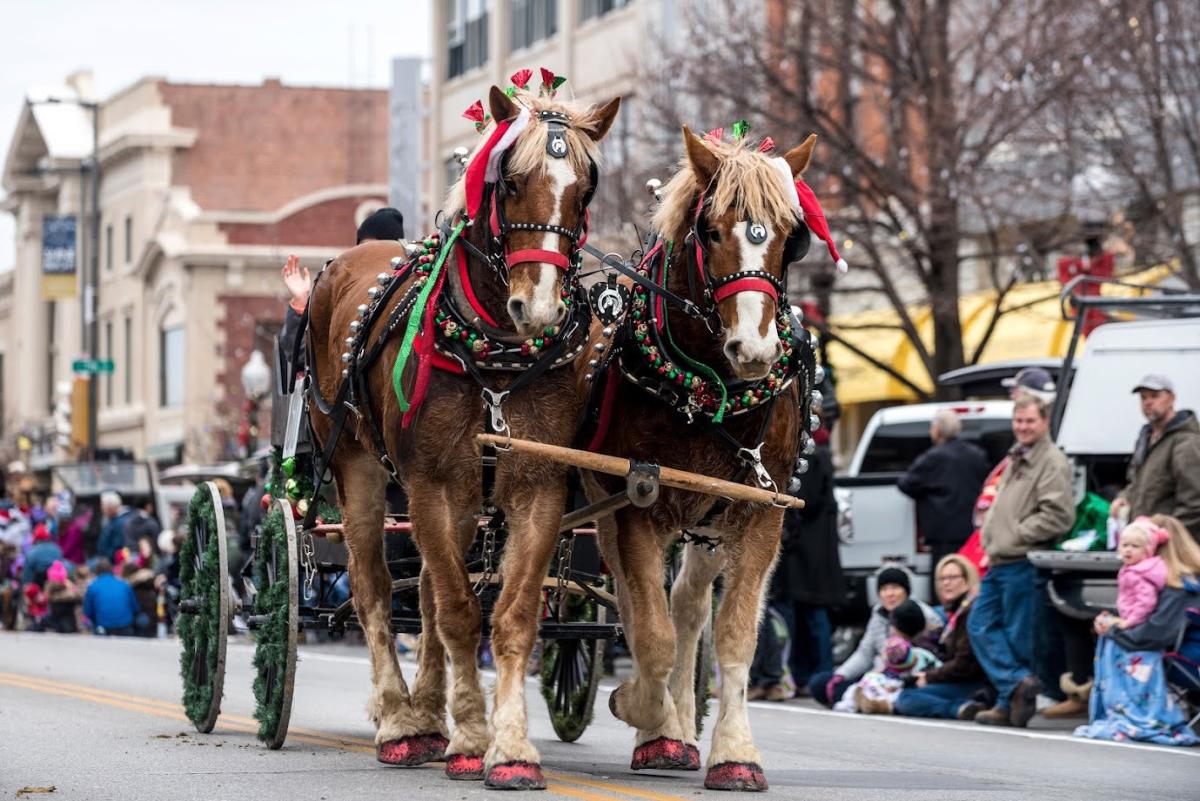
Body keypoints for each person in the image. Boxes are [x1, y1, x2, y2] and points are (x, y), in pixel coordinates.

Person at [967, 394, 1075, 727]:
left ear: (1044, 422)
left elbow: (1059, 515)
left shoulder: (1051, 460)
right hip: (1000, 561)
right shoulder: (1018, 455)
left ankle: (1007, 701)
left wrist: (1015, 534)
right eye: (1018, 420)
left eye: (1029, 421)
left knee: (1016, 635)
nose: (1023, 427)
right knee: (979, 624)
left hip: (1021, 560)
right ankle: (1015, 686)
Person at [1075, 514, 1200, 745]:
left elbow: (1153, 635)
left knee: (1118, 645)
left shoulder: (1181, 586)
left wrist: (1112, 629)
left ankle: (1134, 715)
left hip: (1188, 659)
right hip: (1186, 653)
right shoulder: (1178, 580)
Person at [807, 566, 941, 707]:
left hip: (904, 678)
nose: (889, 594)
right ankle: (859, 698)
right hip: (875, 675)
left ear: (906, 591)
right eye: (884, 589)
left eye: (895, 588)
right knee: (820, 683)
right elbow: (865, 652)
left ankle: (862, 699)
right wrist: (841, 675)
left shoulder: (922, 614)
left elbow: (927, 658)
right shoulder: (878, 613)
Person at [775, 418, 843, 693]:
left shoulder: (812, 455)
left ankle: (821, 674)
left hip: (809, 550)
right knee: (808, 613)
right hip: (811, 548)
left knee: (814, 614)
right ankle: (808, 675)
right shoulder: (819, 452)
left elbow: (805, 499)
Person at [893, 555, 993, 719]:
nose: (946, 583)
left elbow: (965, 664)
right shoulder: (954, 612)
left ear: (968, 580)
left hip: (976, 683)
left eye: (952, 577)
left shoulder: (970, 612)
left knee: (906, 698)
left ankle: (959, 708)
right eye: (942, 579)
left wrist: (929, 677)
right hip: (962, 680)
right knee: (908, 692)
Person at [1109, 374, 1200, 540]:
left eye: (1155, 396)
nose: (1147, 402)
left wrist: (1165, 536)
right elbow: (1136, 482)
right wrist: (1124, 498)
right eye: (1143, 397)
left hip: (1172, 549)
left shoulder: (1187, 442)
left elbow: (1194, 503)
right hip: (1147, 543)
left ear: (1171, 399)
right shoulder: (1146, 437)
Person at [898, 409, 990, 564]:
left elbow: (906, 483)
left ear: (937, 431)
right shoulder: (977, 455)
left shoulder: (933, 457)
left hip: (943, 534)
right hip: (974, 529)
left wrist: (925, 495)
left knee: (946, 576)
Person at [850, 599, 943, 714]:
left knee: (899, 695)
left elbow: (895, 672)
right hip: (908, 682)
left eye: (892, 625)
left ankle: (876, 704)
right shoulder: (927, 644)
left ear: (898, 628)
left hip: (912, 685)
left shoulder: (903, 649)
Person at [82, 557, 140, 636]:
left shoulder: (92, 587)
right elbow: (135, 608)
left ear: (96, 572)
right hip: (125, 627)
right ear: (112, 571)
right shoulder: (124, 584)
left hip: (103, 628)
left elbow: (87, 613)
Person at [96, 492, 133, 562]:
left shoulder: (120, 523)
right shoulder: (113, 520)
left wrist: (107, 555)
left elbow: (119, 547)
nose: (101, 509)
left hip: (110, 561)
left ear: (110, 508)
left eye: (103, 506)